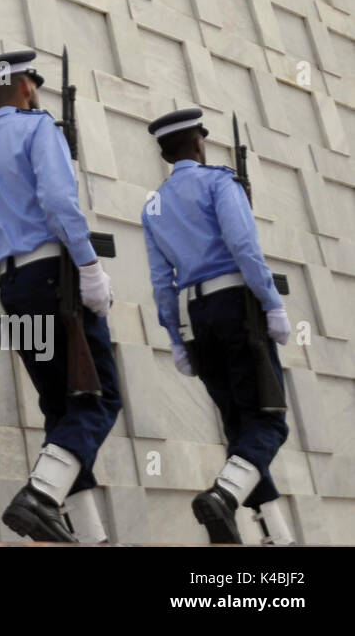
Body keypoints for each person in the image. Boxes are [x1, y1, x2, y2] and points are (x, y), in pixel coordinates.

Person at [0, 50, 121, 543]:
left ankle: (86, 535)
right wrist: (91, 268)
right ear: (27, 87)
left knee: (61, 407)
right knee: (97, 397)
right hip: (55, 278)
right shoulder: (38, 130)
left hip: (14, 291)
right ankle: (41, 496)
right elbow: (57, 201)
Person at [141, 108, 293, 545]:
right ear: (198, 143)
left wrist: (176, 339)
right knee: (268, 421)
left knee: (238, 425)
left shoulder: (153, 205)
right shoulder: (219, 182)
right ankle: (225, 494)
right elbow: (244, 247)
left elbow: (160, 282)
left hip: (195, 317)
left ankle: (274, 535)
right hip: (236, 307)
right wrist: (273, 303)